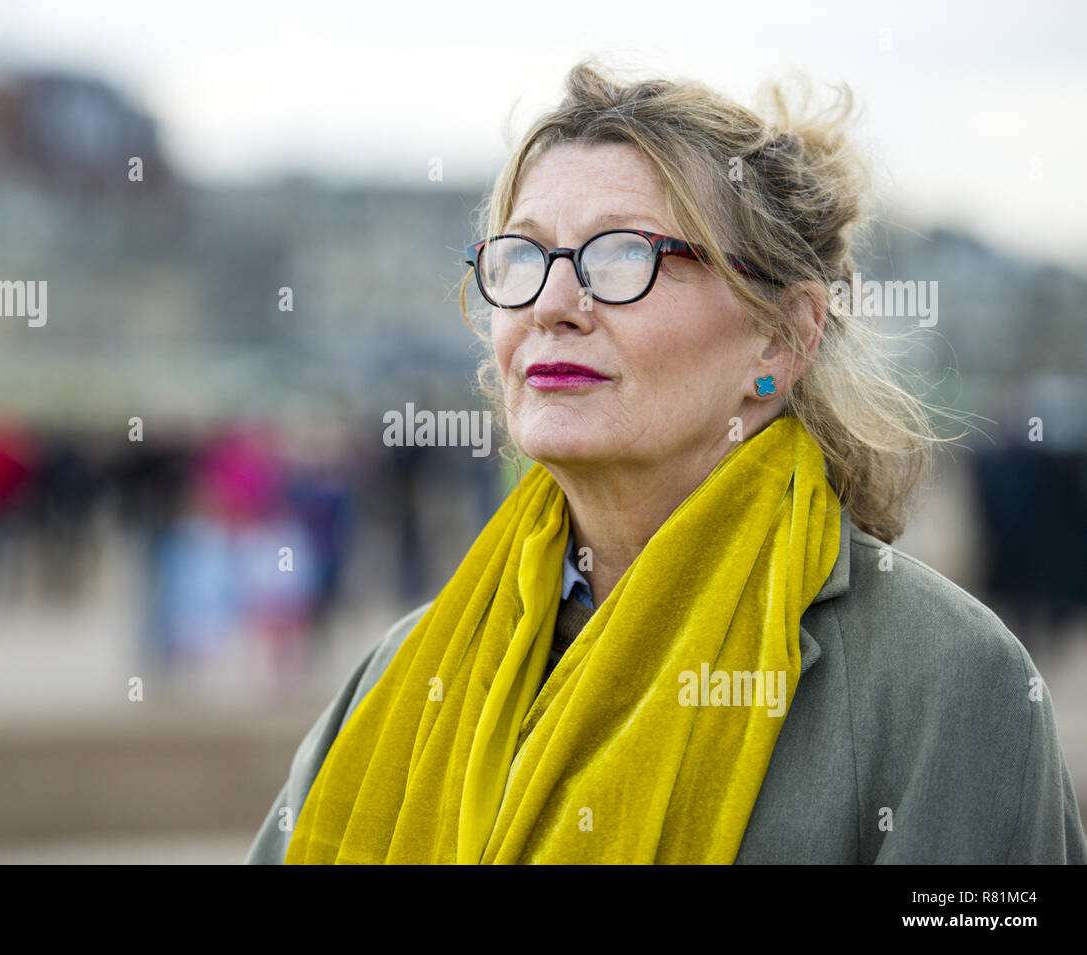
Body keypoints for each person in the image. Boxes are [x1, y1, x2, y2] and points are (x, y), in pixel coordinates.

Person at [246, 59, 1087, 864]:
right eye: (523, 256)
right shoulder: (402, 670)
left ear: (785, 333)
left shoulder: (945, 683)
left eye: (624, 256)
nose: (550, 304)